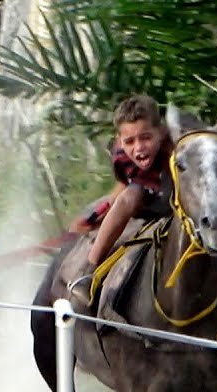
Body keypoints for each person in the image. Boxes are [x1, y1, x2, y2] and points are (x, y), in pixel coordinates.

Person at [67, 94, 175, 306]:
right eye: (130, 141)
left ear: (161, 133)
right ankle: (89, 271)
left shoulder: (176, 152)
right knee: (130, 195)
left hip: (177, 200)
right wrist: (95, 217)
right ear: (120, 141)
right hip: (148, 200)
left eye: (146, 138)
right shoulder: (121, 158)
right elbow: (123, 187)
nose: (139, 147)